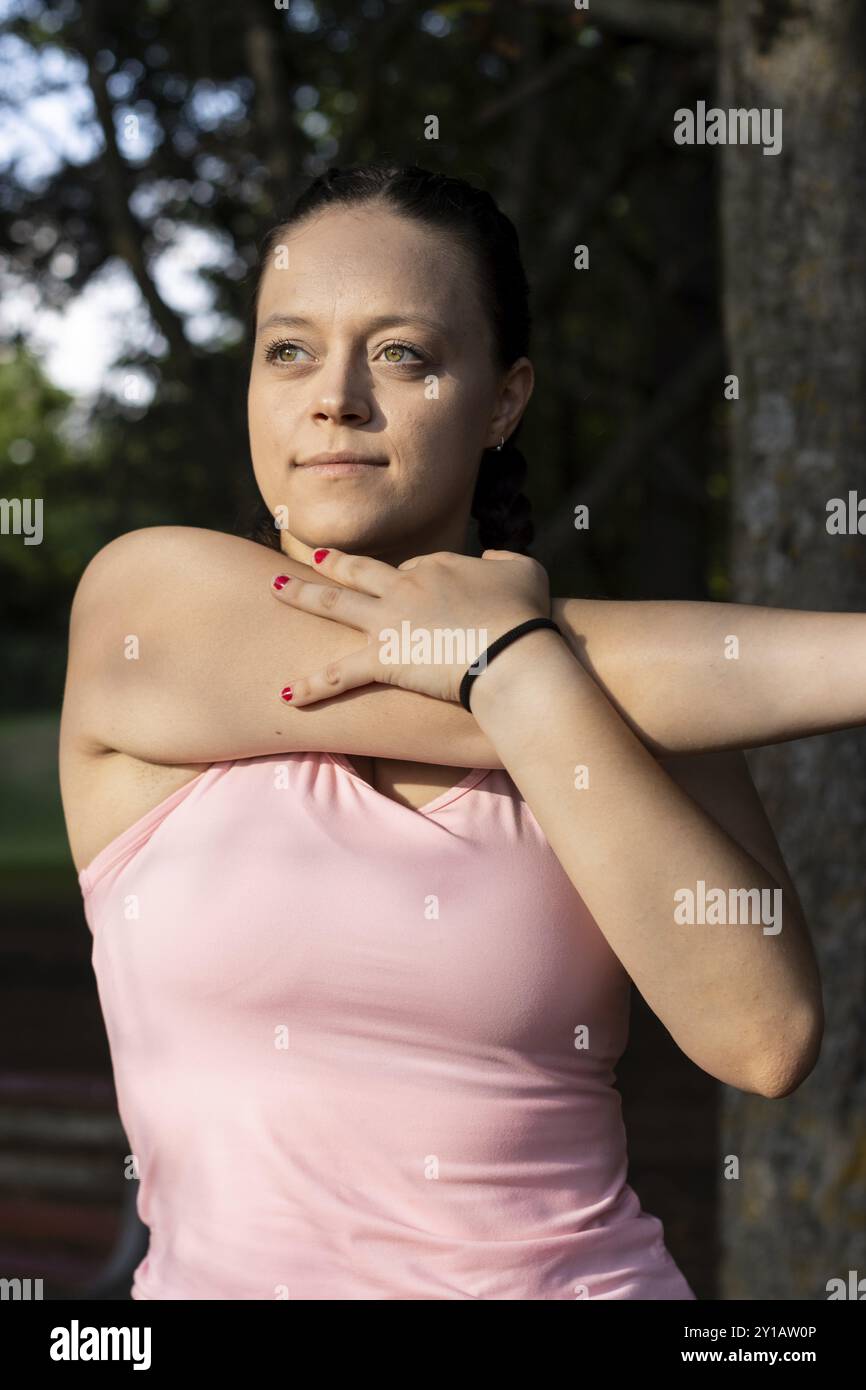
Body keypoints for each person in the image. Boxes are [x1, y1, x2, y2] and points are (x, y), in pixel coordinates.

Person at [59, 162, 827, 1300]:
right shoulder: (145, 603)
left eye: (401, 353)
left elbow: (761, 1038)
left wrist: (510, 673)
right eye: (289, 350)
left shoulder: (640, 695)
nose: (334, 397)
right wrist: (527, 673)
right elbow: (667, 673)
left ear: (504, 398)